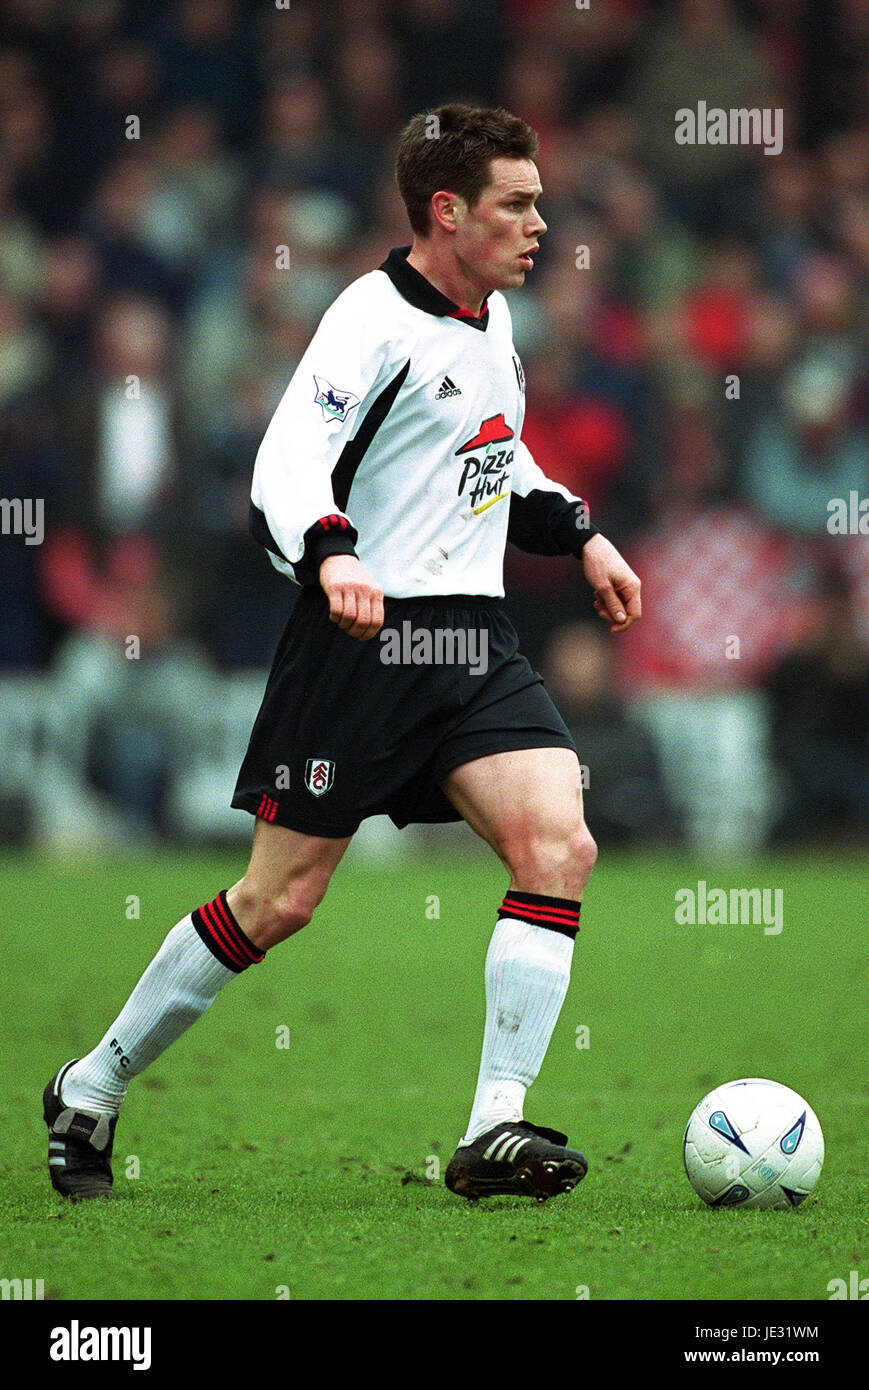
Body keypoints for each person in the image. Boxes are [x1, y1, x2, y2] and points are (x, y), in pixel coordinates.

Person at [44, 104, 641, 1205]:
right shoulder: (367, 321)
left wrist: (579, 530)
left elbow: (493, 458)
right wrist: (331, 557)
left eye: (537, 200)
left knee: (558, 844)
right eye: (516, 202)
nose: (539, 222)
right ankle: (94, 1078)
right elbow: (285, 466)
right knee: (278, 904)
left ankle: (492, 1130)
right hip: (361, 647)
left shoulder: (490, 317)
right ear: (445, 211)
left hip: (472, 641)